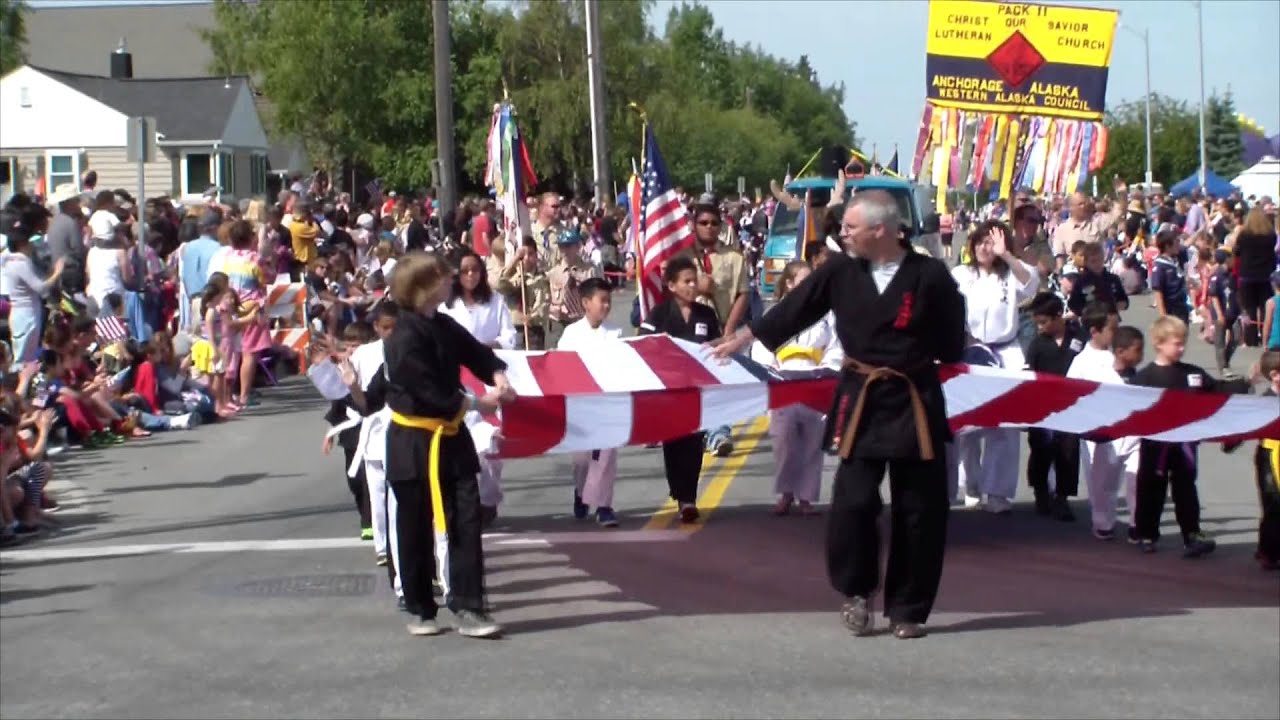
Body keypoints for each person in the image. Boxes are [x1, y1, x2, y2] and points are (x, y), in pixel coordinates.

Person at [711, 190, 967, 640]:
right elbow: (796, 306)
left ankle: (908, 608)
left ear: (881, 230)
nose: (841, 234)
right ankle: (857, 590)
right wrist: (745, 337)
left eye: (849, 227)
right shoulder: (840, 271)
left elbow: (950, 341)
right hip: (862, 393)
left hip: (913, 395)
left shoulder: (930, 275)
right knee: (854, 500)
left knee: (919, 507)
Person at [383, 251, 513, 638]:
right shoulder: (402, 338)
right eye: (442, 276)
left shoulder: (445, 325)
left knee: (466, 517)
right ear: (422, 287)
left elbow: (477, 353)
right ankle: (421, 607)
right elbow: (427, 390)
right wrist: (478, 402)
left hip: (451, 437)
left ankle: (469, 606)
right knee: (414, 523)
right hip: (413, 438)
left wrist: (497, 374)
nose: (450, 281)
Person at [951, 220, 1039, 514]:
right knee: (966, 425)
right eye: (979, 242)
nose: (983, 248)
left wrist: (1008, 256)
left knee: (1004, 426)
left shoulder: (1009, 276)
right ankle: (971, 484)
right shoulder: (961, 275)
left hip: (1005, 354)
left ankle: (998, 491)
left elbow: (1032, 285)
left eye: (990, 243)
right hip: (967, 352)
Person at [750, 260, 843, 516]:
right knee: (784, 443)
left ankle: (806, 497)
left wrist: (826, 371)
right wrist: (772, 375)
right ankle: (785, 493)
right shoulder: (776, 313)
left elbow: (836, 347)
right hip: (784, 383)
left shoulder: (827, 315)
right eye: (802, 281)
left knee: (813, 444)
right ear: (789, 284)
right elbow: (761, 348)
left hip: (816, 380)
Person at [639, 256, 722, 524]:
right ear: (671, 285)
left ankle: (689, 499)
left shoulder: (706, 314)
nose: (692, 286)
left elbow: (716, 346)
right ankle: (679, 492)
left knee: (694, 445)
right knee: (673, 445)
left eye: (694, 280)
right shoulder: (659, 314)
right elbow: (644, 342)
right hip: (668, 391)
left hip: (697, 390)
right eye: (685, 281)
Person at [1128, 317, 1217, 558]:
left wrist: (1245, 384)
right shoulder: (1144, 378)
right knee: (1150, 488)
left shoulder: (1193, 374)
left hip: (1185, 444)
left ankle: (1192, 534)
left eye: (1183, 343)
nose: (1181, 348)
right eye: (1176, 343)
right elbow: (1128, 408)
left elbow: (1218, 395)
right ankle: (1147, 533)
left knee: (1186, 489)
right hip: (1155, 444)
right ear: (1159, 343)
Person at [1067, 302, 1139, 541]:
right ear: (1094, 331)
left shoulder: (1121, 354)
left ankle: (1138, 523)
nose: (1116, 333)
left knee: (1135, 477)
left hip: (1128, 428)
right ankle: (1103, 522)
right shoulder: (1081, 362)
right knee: (1102, 483)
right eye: (1112, 328)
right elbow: (1069, 397)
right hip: (1098, 432)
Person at [558, 277, 624, 527]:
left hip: (607, 404)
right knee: (582, 460)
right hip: (580, 405)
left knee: (606, 457)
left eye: (609, 301)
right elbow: (561, 367)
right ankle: (581, 491)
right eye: (602, 301)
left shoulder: (615, 333)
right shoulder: (571, 334)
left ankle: (605, 506)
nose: (606, 306)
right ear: (586, 303)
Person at [1023, 292, 1082, 521]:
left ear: (1058, 317)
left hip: (1070, 405)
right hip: (1043, 406)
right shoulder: (1037, 345)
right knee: (1041, 449)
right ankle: (1040, 491)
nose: (1040, 327)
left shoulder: (1078, 339)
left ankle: (1062, 497)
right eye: (1037, 323)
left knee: (1067, 451)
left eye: (1044, 322)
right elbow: (1030, 373)